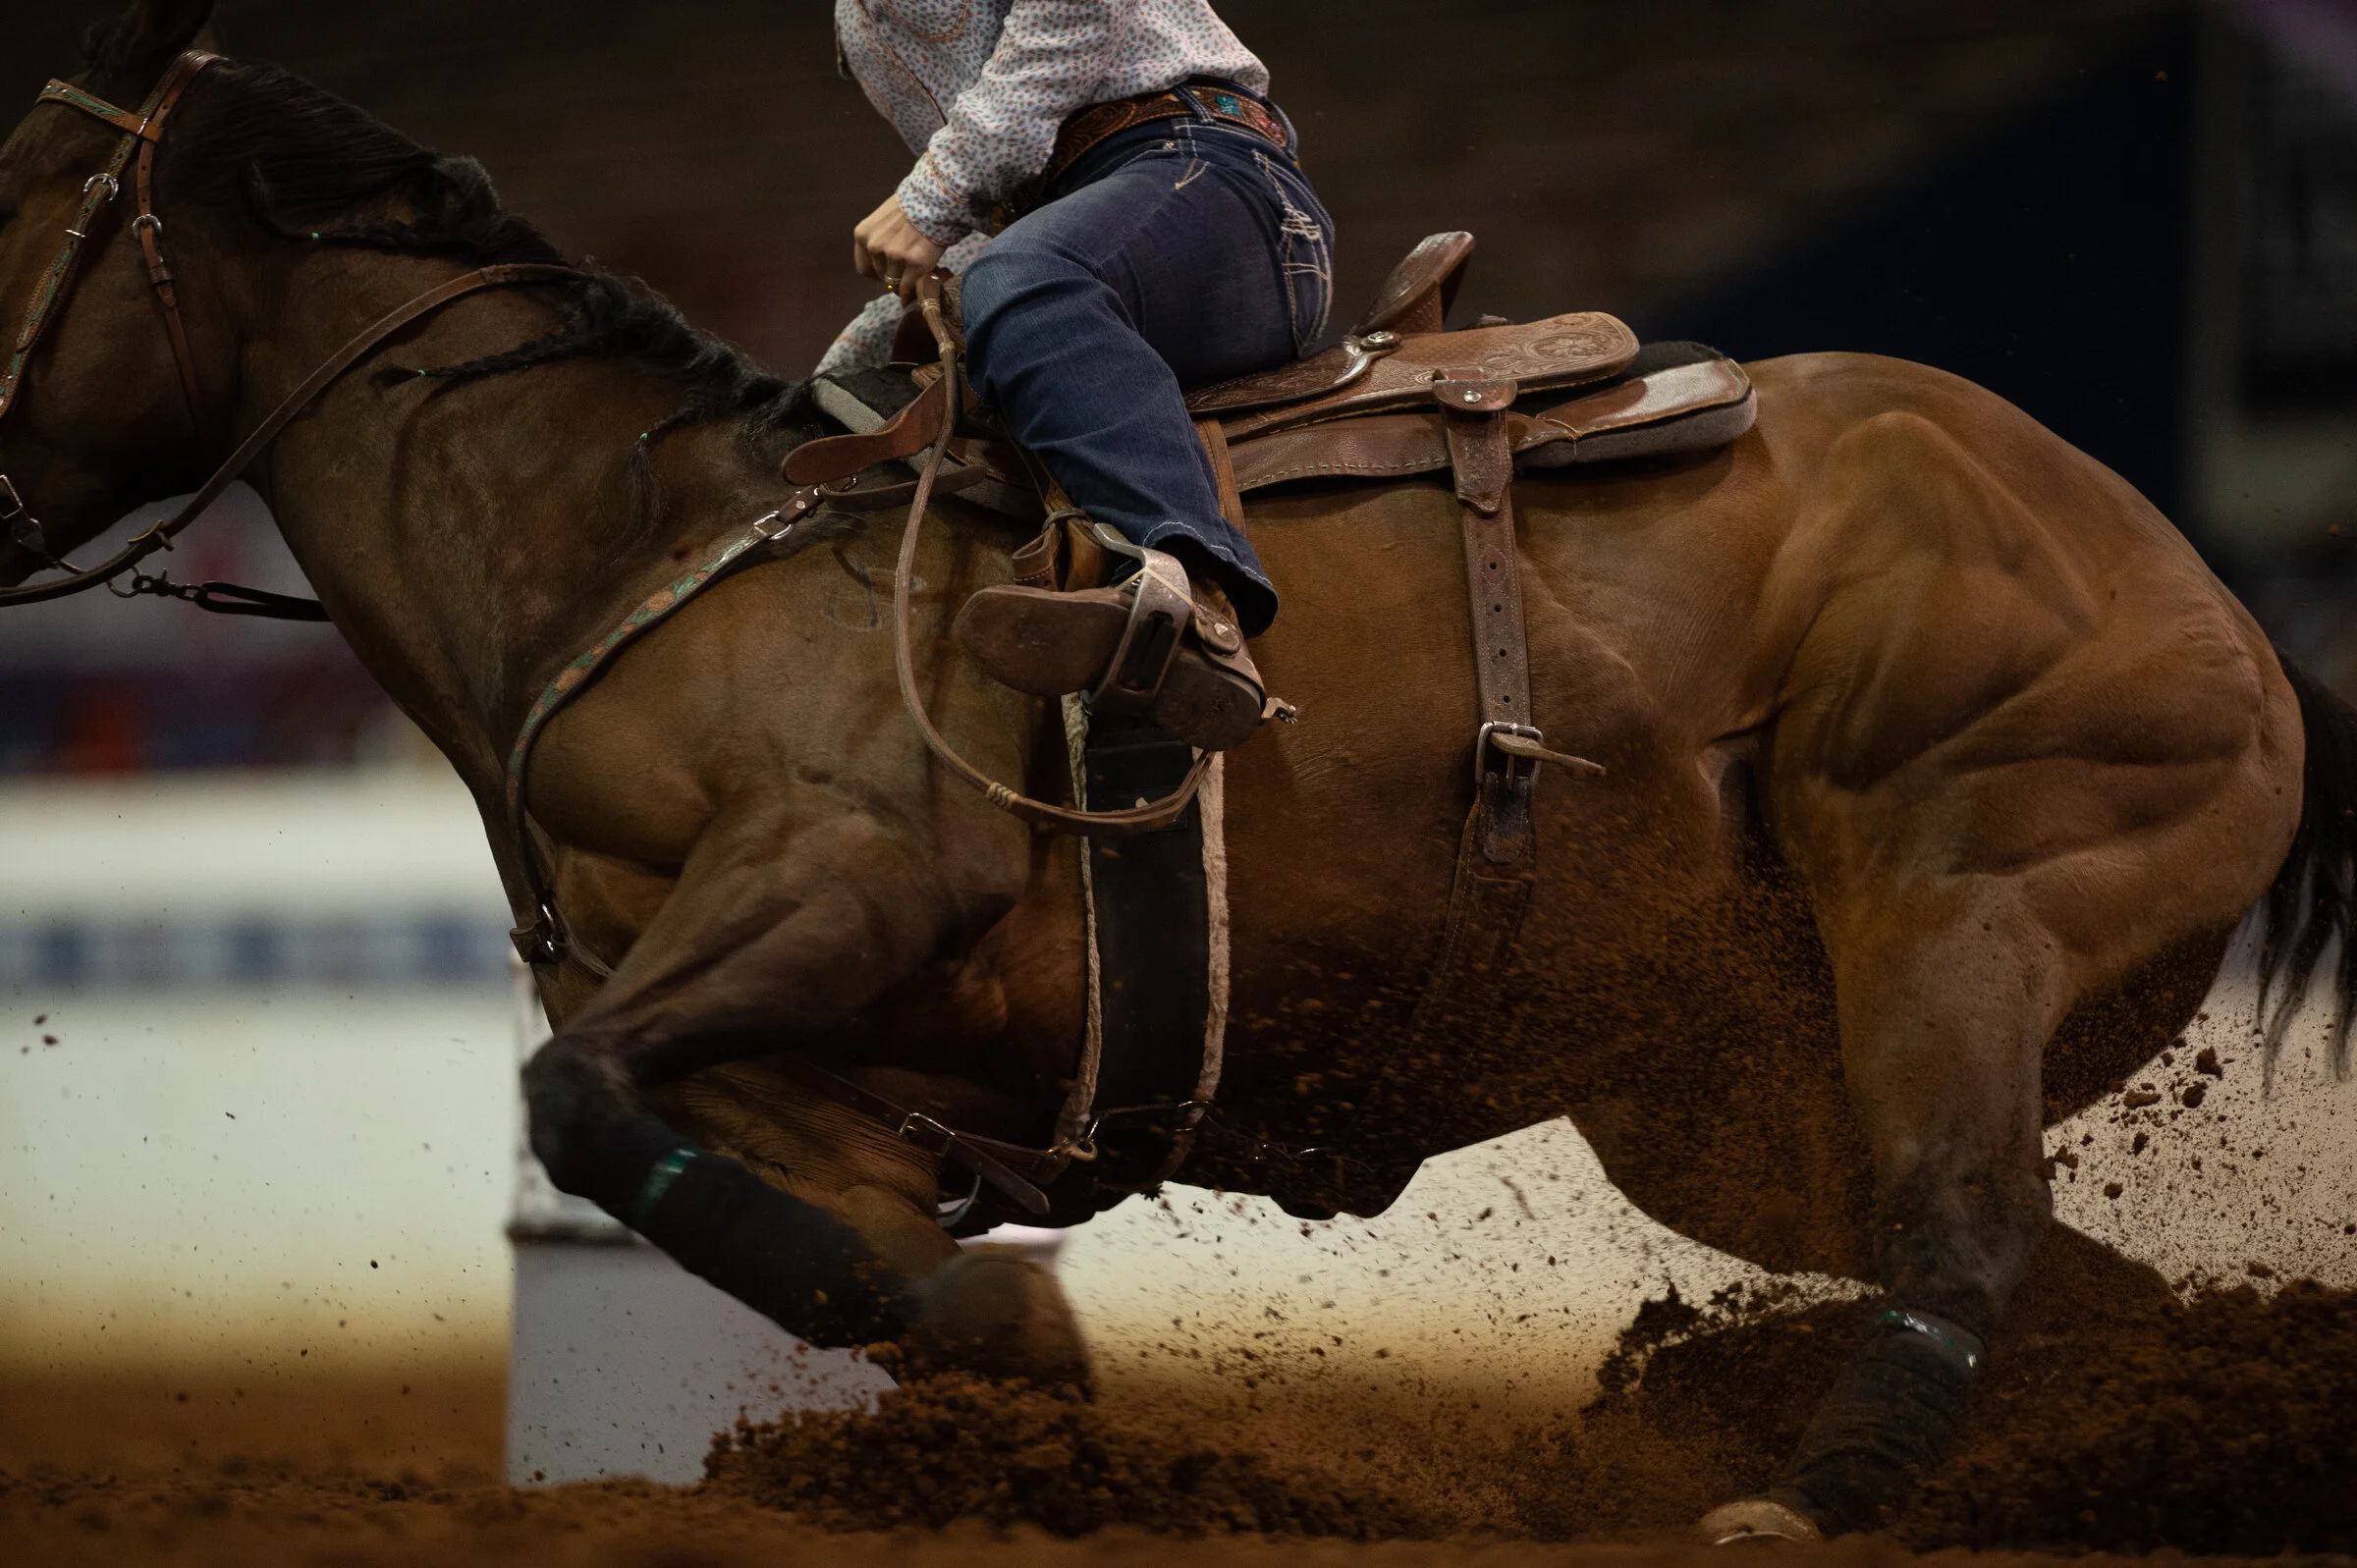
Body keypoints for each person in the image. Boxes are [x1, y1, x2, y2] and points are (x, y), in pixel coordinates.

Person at [822, 0, 1333, 751]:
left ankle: (1187, 597)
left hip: (1202, 170)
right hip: (1067, 223)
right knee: (851, 388)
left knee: (1025, 280)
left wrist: (935, 193)